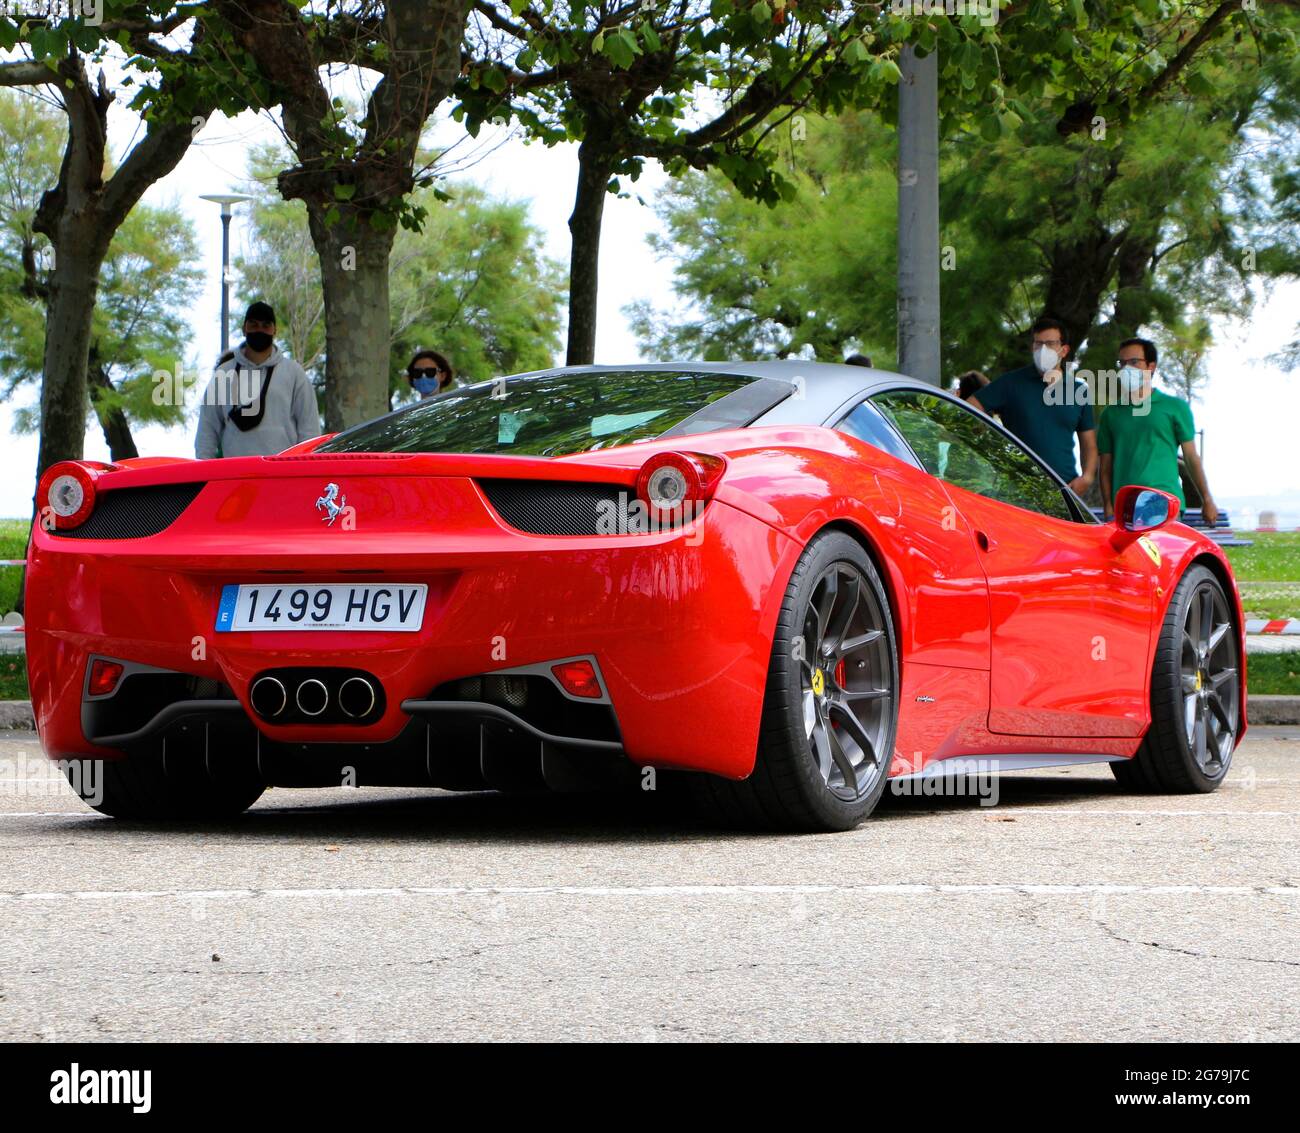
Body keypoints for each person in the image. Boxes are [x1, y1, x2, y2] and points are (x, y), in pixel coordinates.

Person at [969, 316, 1097, 496]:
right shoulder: (1010, 383)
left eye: (1050, 343)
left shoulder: (1078, 390)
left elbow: (1089, 443)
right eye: (1038, 344)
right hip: (1018, 490)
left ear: (1064, 350)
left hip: (1065, 490)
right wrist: (989, 441)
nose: (1043, 349)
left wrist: (1088, 477)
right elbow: (968, 409)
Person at [1098, 337, 1218, 525]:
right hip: (1124, 507)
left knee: (1163, 555)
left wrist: (1207, 499)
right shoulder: (1110, 414)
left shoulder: (1175, 407)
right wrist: (1108, 506)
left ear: (1151, 366)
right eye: (1122, 363)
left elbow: (1191, 457)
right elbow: (1105, 467)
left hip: (1165, 503)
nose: (1126, 368)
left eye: (1134, 362)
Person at [196, 301, 319, 459]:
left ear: (274, 330)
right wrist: (204, 471)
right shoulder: (223, 373)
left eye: (266, 325)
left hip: (282, 473)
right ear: (244, 329)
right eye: (253, 325)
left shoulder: (294, 373)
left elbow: (309, 429)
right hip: (235, 474)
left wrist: (305, 469)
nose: (259, 330)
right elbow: (207, 429)